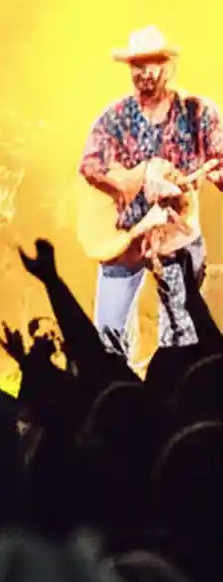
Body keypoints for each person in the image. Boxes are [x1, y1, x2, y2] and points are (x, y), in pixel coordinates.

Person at [79, 26, 223, 358]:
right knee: (108, 338)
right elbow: (90, 164)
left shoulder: (197, 113)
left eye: (151, 64)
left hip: (176, 238)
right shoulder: (115, 117)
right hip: (125, 238)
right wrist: (128, 183)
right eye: (136, 65)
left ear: (168, 67)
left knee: (181, 337)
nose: (144, 73)